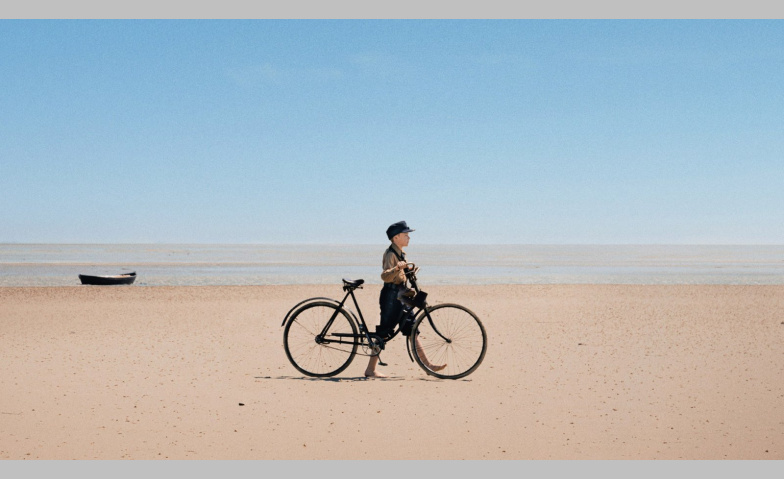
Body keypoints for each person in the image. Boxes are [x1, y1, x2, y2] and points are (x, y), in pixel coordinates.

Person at [364, 221, 446, 378]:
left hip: (401, 296)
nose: (409, 237)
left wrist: (408, 270)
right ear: (396, 238)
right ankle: (370, 370)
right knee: (384, 332)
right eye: (406, 235)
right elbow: (385, 275)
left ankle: (428, 366)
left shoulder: (401, 253)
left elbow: (400, 273)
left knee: (411, 328)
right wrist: (398, 268)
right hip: (391, 297)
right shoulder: (390, 254)